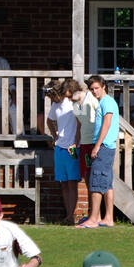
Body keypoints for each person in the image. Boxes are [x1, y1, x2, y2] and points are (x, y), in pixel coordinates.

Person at [77, 75, 119, 228]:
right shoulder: (104, 102)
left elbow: (106, 124)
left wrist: (96, 146)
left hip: (103, 147)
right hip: (106, 146)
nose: (94, 91)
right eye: (92, 89)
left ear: (103, 87)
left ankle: (93, 219)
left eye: (97, 88)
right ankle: (108, 218)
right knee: (107, 184)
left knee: (96, 181)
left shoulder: (107, 102)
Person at [44, 79, 80, 224]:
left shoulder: (72, 103)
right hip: (59, 148)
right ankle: (68, 215)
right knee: (63, 183)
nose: (52, 99)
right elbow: (49, 120)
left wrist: (76, 142)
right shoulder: (55, 105)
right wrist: (55, 136)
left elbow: (79, 124)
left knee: (72, 182)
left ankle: (71, 215)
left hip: (72, 148)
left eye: (52, 96)